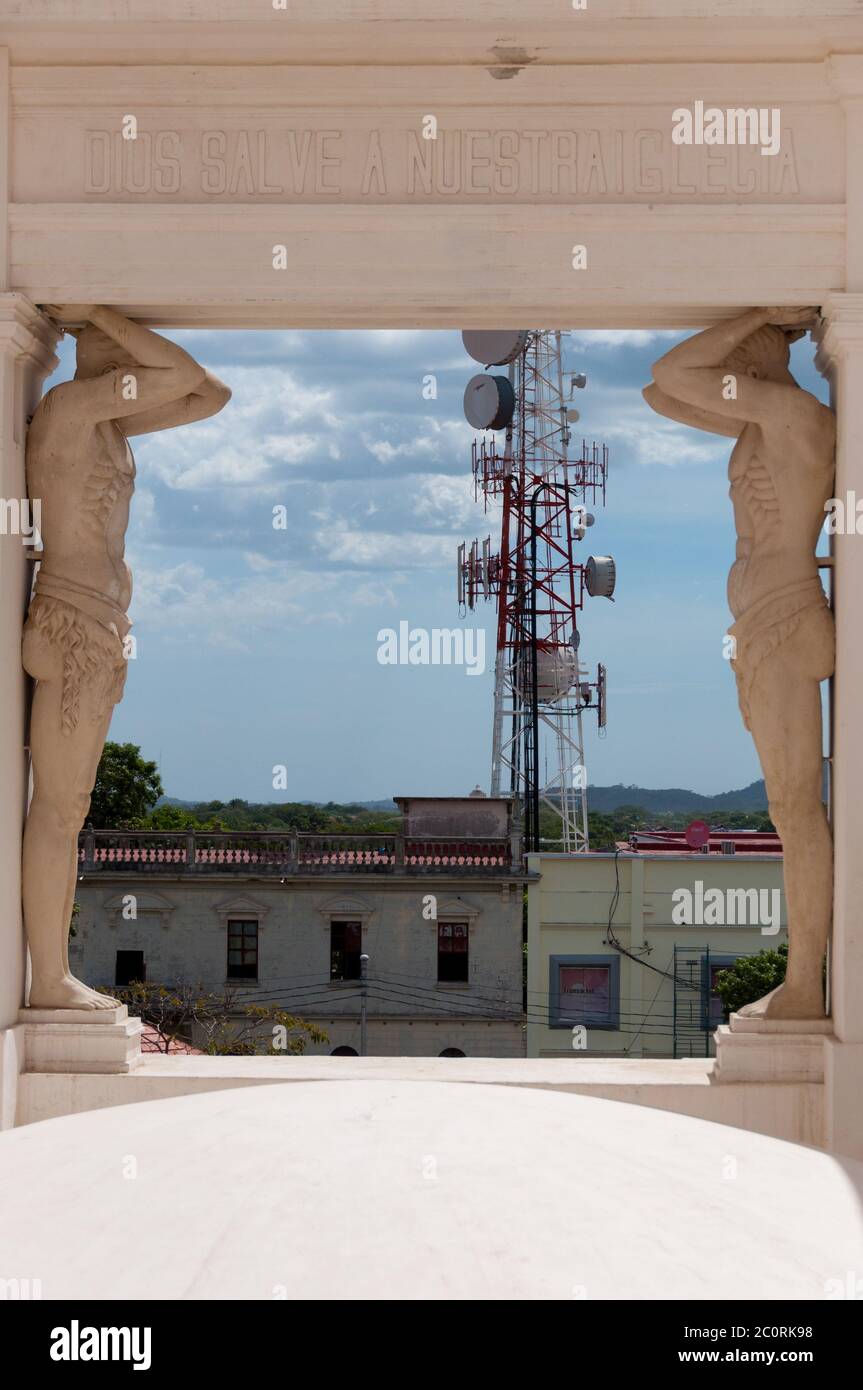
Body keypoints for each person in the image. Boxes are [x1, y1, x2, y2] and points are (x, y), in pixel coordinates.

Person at [23, 305, 231, 1009]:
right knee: (57, 810)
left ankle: (53, 974)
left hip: (102, 626)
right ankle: (48, 979)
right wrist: (97, 314)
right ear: (94, 345)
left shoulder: (109, 426)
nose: (138, 356)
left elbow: (209, 393)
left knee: (70, 807)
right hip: (73, 623)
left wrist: (110, 324)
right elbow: (179, 373)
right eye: (125, 340)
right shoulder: (70, 410)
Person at [644, 307, 835, 1019]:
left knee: (794, 810)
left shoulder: (794, 417)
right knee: (786, 808)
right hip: (760, 628)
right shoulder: (760, 424)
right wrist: (746, 335)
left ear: (748, 360)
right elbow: (658, 394)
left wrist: (761, 316)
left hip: (785, 620)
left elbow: (672, 374)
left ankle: (805, 981)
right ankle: (804, 976)